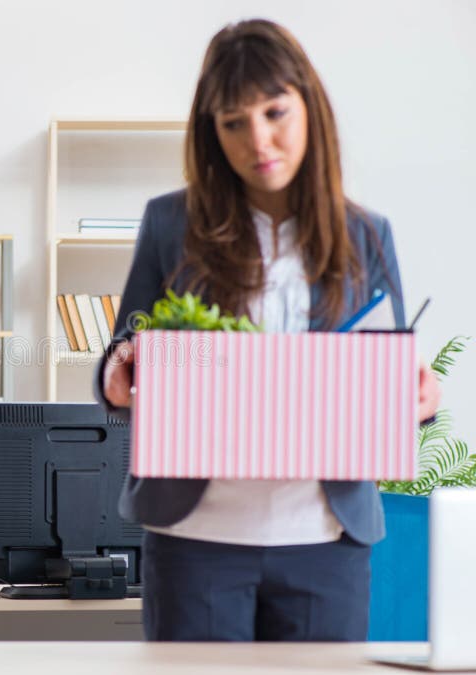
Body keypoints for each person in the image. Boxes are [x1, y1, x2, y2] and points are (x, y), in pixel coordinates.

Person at [95, 19, 441, 641]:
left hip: (326, 540)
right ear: (213, 132)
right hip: (196, 535)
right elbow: (127, 342)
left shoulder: (366, 234)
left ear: (309, 107)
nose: (259, 139)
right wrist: (120, 375)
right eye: (234, 122)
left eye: (275, 112)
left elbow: (389, 377)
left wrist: (417, 403)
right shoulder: (171, 222)